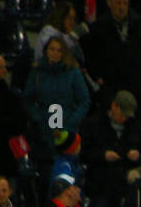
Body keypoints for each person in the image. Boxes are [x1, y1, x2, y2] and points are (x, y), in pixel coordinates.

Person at [82, 0, 141, 119]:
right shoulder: (98, 26)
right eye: (118, 3)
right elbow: (90, 54)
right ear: (109, 3)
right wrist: (97, 76)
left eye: (125, 3)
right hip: (111, 84)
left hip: (138, 85)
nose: (122, 7)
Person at [80, 90, 141, 207]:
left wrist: (136, 156)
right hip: (101, 184)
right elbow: (84, 154)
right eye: (123, 114)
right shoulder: (93, 124)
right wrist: (103, 156)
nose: (124, 118)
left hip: (125, 187)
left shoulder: (134, 126)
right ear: (114, 106)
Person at [23, 36, 91, 166]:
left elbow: (84, 101)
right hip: (43, 133)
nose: (55, 53)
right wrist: (38, 118)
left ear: (64, 53)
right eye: (52, 49)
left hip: (68, 132)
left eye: (59, 50)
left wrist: (71, 124)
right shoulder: (37, 72)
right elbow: (28, 99)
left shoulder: (73, 73)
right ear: (46, 51)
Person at [35, 1, 87, 68]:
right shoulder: (48, 33)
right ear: (61, 17)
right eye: (69, 18)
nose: (72, 22)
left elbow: (79, 59)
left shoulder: (69, 36)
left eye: (73, 19)